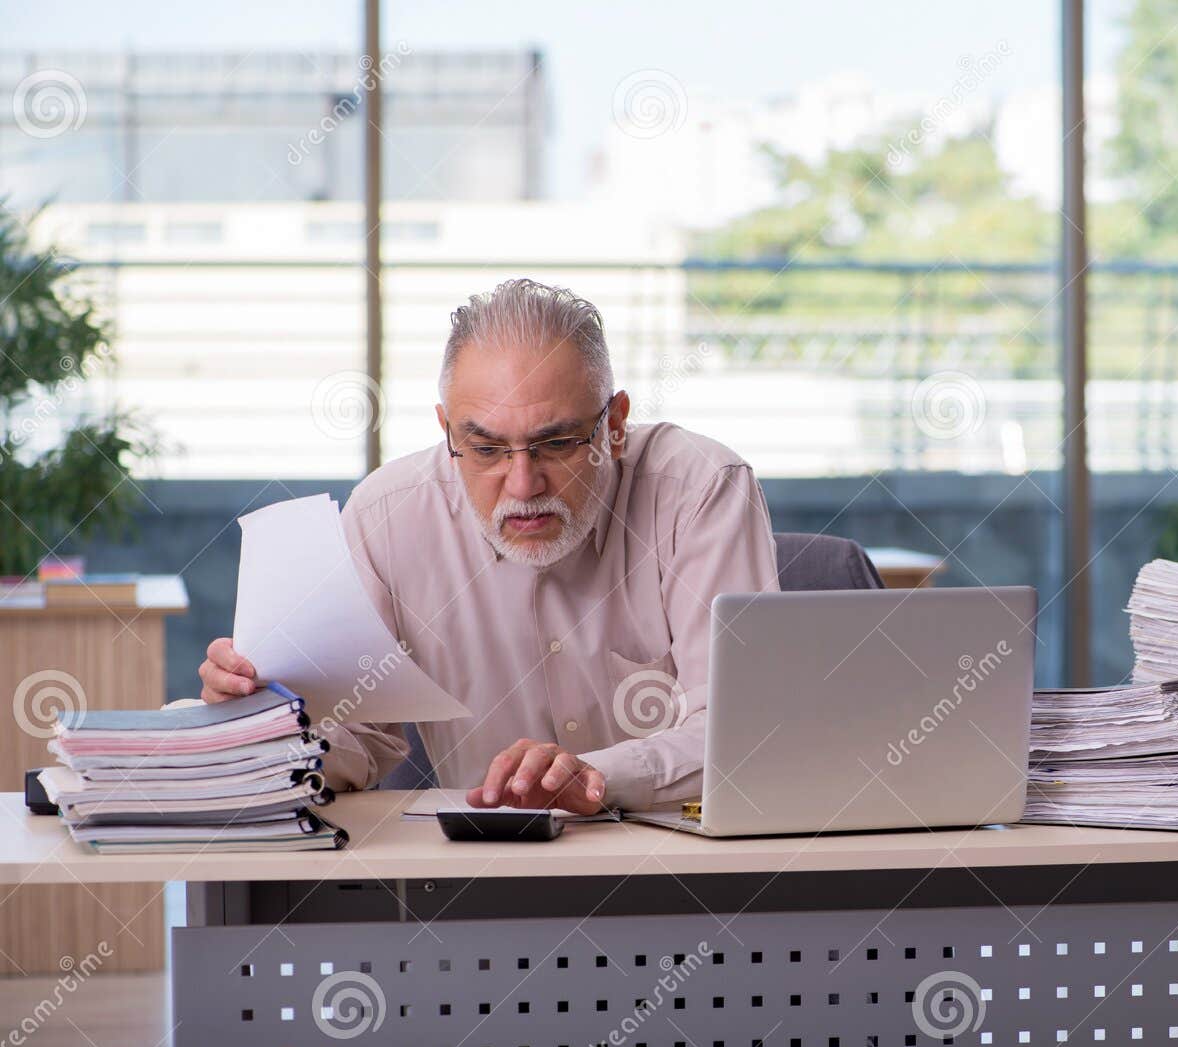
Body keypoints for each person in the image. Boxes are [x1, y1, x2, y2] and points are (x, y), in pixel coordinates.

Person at [198, 279, 778, 815]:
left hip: (691, 867)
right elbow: (359, 735)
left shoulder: (700, 489)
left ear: (616, 425)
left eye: (556, 444)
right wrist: (263, 728)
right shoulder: (387, 514)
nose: (523, 486)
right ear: (447, 430)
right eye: (485, 449)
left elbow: (744, 729)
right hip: (479, 880)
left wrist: (594, 776)